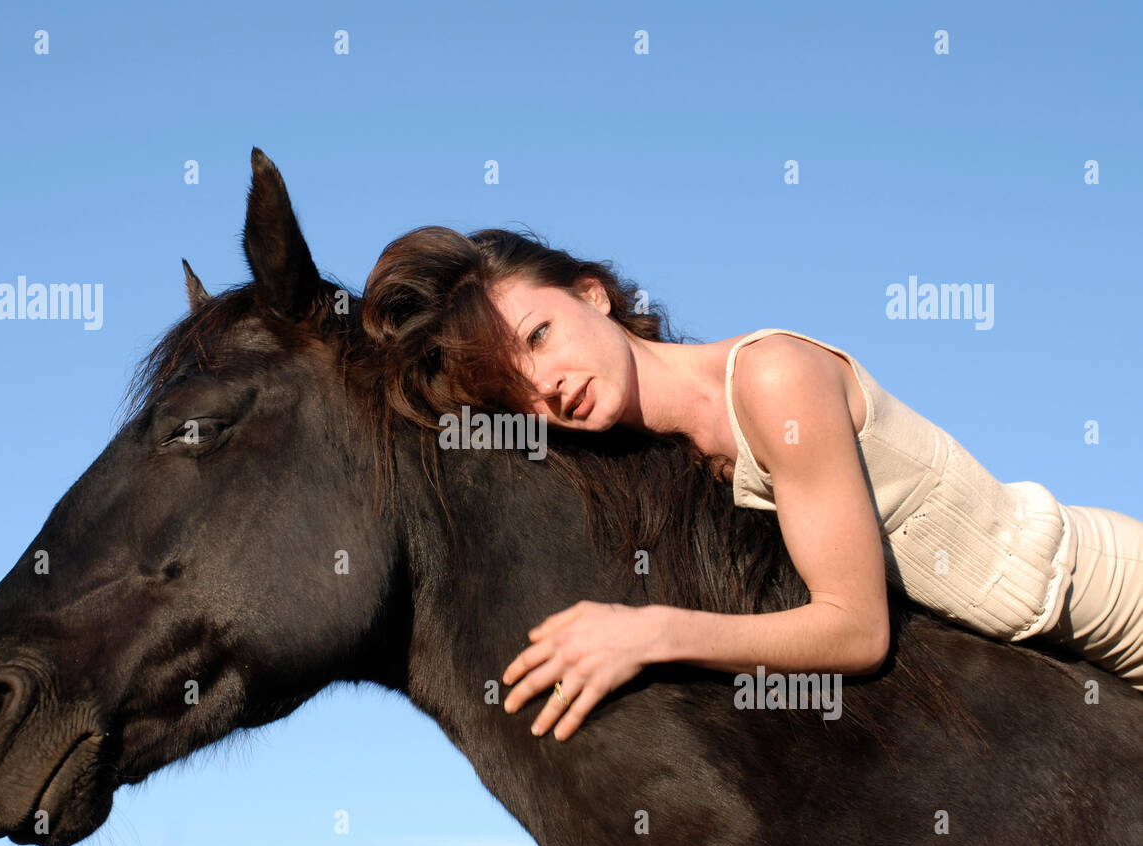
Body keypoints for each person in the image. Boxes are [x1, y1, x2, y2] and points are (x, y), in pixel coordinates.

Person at [359, 225, 1143, 740]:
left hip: (1107, 597)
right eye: (517, 389)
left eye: (541, 335)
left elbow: (857, 631)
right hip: (1043, 666)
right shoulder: (662, 465)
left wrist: (650, 635)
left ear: (593, 295)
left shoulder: (772, 380)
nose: (551, 385)